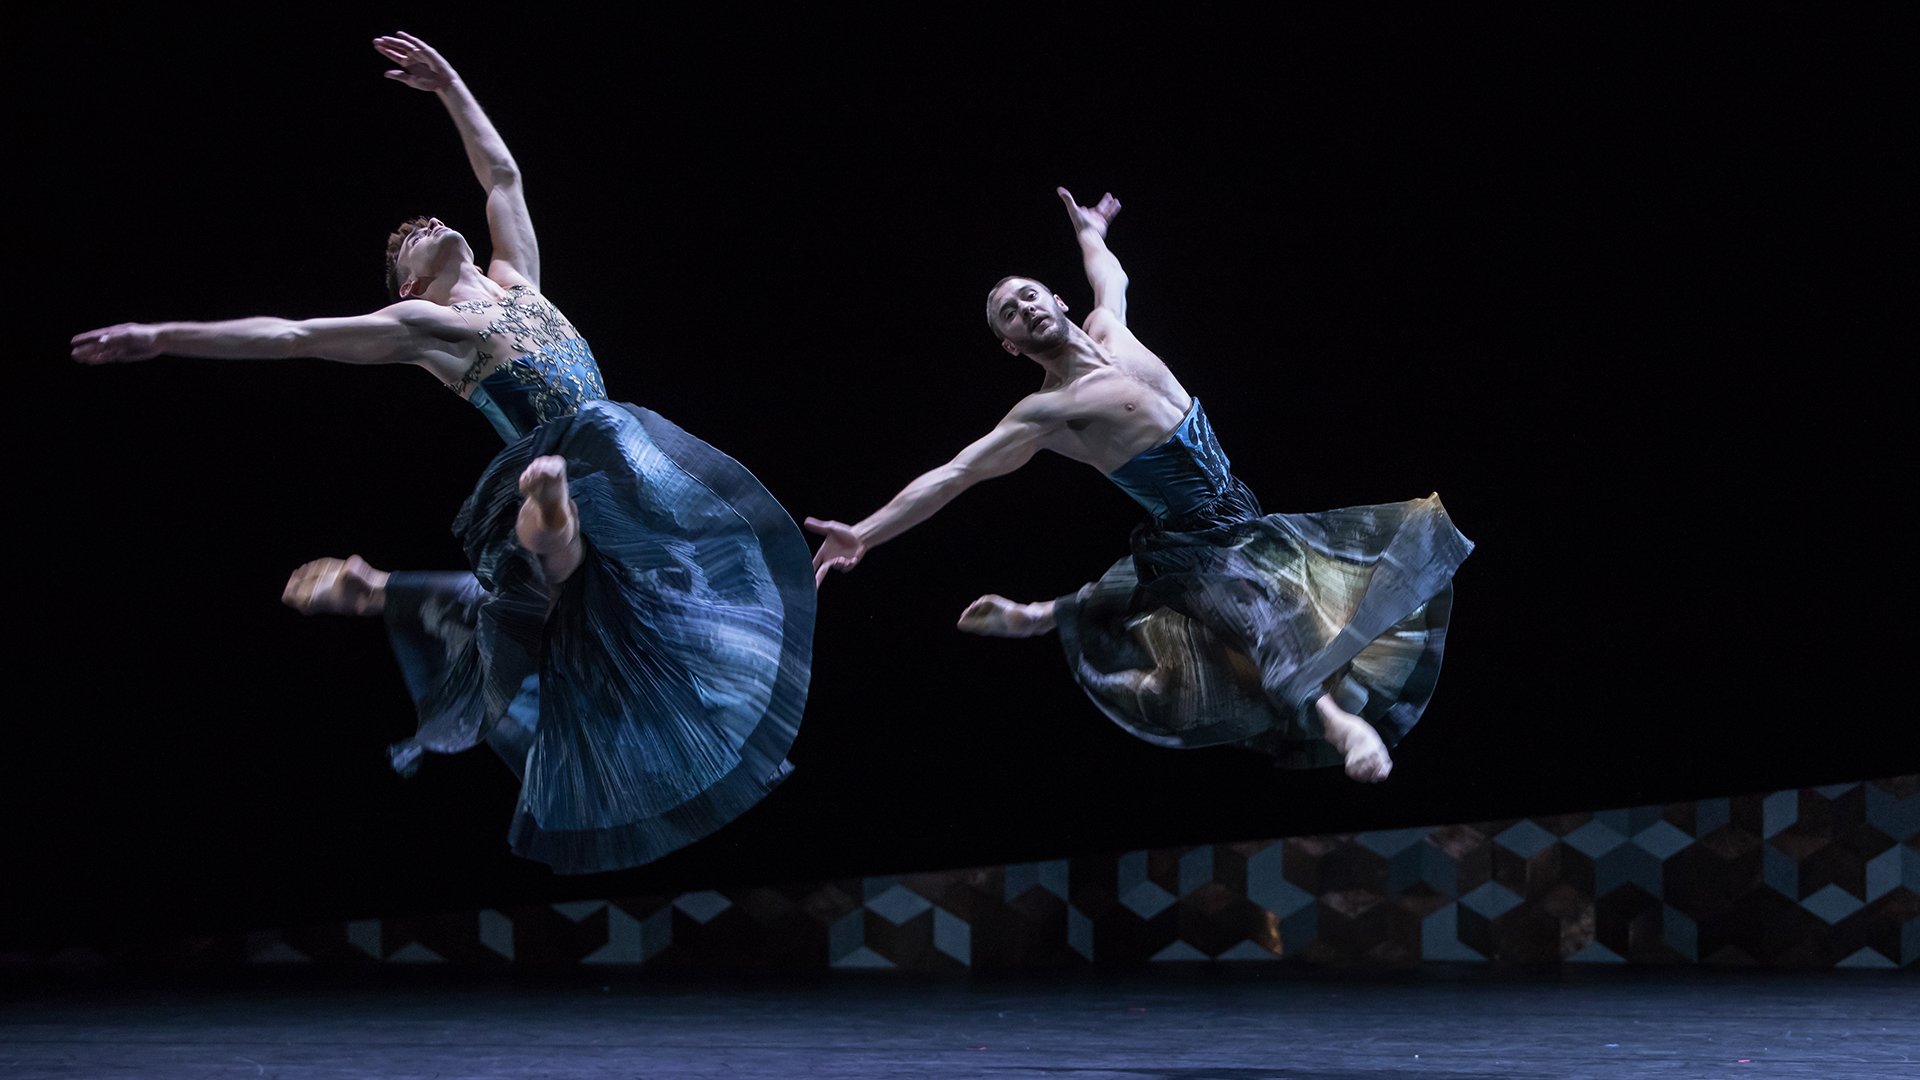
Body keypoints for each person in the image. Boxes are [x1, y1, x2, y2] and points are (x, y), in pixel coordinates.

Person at [70, 32, 814, 873]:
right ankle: (544, 508)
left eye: (429, 219)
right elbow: (290, 337)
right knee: (553, 526)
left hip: (633, 485)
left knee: (641, 615)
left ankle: (393, 584)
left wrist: (451, 86)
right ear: (408, 285)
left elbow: (501, 178)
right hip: (556, 478)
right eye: (410, 240)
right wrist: (162, 336)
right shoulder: (429, 329)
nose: (430, 222)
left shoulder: (520, 283)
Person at [807, 188, 1471, 782]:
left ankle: (1046, 614)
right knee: (1264, 618)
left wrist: (1091, 230)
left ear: (1055, 299)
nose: (1025, 308)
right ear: (1010, 345)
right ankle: (1337, 723)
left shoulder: (1111, 331)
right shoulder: (1047, 411)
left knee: (1313, 583)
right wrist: (862, 533)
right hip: (1195, 542)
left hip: (1238, 511)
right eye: (1010, 313)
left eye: (1029, 295)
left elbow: (1110, 276)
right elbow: (954, 474)